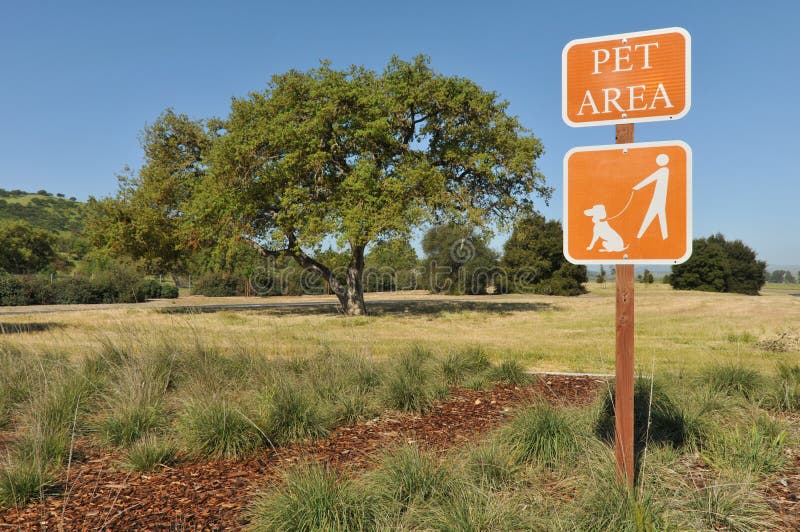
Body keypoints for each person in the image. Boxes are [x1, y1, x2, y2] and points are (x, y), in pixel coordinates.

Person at [633, 153, 670, 239]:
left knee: (650, 215)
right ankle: (665, 236)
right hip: (659, 198)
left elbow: (649, 179)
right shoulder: (665, 170)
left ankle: (639, 236)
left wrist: (636, 187)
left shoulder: (663, 170)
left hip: (658, 198)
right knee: (659, 216)